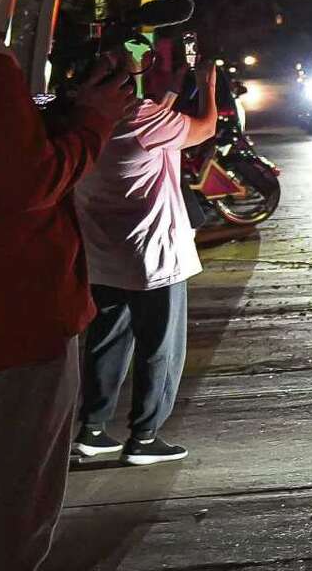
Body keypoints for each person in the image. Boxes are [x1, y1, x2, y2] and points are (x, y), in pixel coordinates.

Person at [0, 0, 134, 571]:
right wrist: (95, 121)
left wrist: (54, 115)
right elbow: (24, 186)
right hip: (16, 317)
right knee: (16, 502)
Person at [73, 34, 217, 467]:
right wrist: (208, 86)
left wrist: (172, 89)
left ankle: (93, 430)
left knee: (105, 341)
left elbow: (160, 123)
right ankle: (145, 436)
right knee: (160, 348)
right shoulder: (142, 119)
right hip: (155, 255)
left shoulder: (77, 122)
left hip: (103, 256)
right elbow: (204, 128)